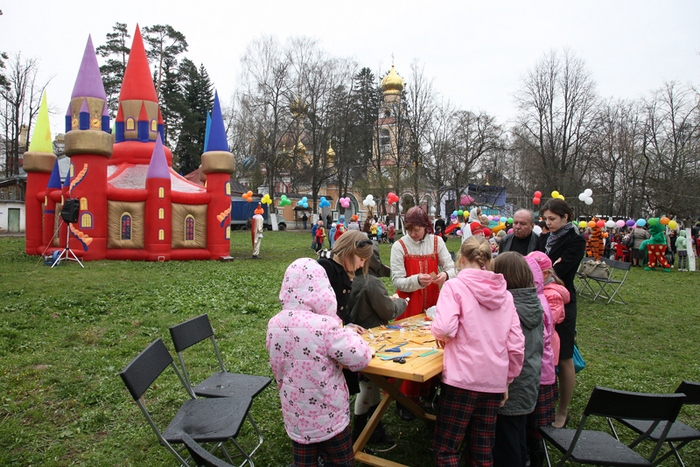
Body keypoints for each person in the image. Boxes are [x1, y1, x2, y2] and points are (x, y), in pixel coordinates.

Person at [266, 258, 372, 467]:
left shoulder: (275, 324)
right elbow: (359, 357)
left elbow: (279, 365)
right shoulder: (325, 326)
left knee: (304, 462)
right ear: (323, 290)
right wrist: (349, 335)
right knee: (341, 461)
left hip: (296, 413)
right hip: (329, 415)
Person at [431, 236, 525, 467]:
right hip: (492, 378)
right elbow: (516, 343)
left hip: (461, 378)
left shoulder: (454, 286)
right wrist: (507, 379)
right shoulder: (505, 294)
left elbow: (444, 327)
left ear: (461, 259)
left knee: (447, 447)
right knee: (482, 448)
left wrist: (442, 335)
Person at [390, 206, 456, 420]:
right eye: (409, 229)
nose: (412, 233)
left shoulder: (437, 242)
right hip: (408, 306)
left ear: (426, 227)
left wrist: (445, 275)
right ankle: (406, 399)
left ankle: (429, 392)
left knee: (434, 348)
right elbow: (396, 280)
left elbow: (453, 268)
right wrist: (416, 280)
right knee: (409, 351)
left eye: (416, 229)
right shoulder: (399, 246)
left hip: (434, 305)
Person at [348, 245, 408, 445]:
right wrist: (401, 302)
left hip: (359, 339)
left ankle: (374, 429)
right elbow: (387, 311)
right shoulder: (371, 283)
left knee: (372, 385)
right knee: (368, 385)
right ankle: (360, 432)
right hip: (372, 340)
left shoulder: (352, 279)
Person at [491, 252, 544, 467]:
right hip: (530, 379)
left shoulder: (509, 307)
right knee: (517, 432)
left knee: (506, 441)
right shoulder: (533, 301)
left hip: (512, 384)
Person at [537, 199, 585, 429]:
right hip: (539, 299)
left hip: (563, 301)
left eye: (552, 219)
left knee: (564, 354)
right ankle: (543, 402)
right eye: (546, 219)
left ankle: (563, 410)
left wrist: (545, 270)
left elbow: (561, 271)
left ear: (565, 217)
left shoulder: (575, 241)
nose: (548, 223)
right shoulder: (544, 238)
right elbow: (537, 266)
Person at [317, 230, 374, 397]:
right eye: (361, 259)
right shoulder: (327, 267)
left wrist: (349, 323)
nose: (361, 265)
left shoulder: (344, 269)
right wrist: (343, 327)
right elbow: (324, 307)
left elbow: (343, 307)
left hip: (337, 331)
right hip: (325, 337)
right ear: (349, 251)